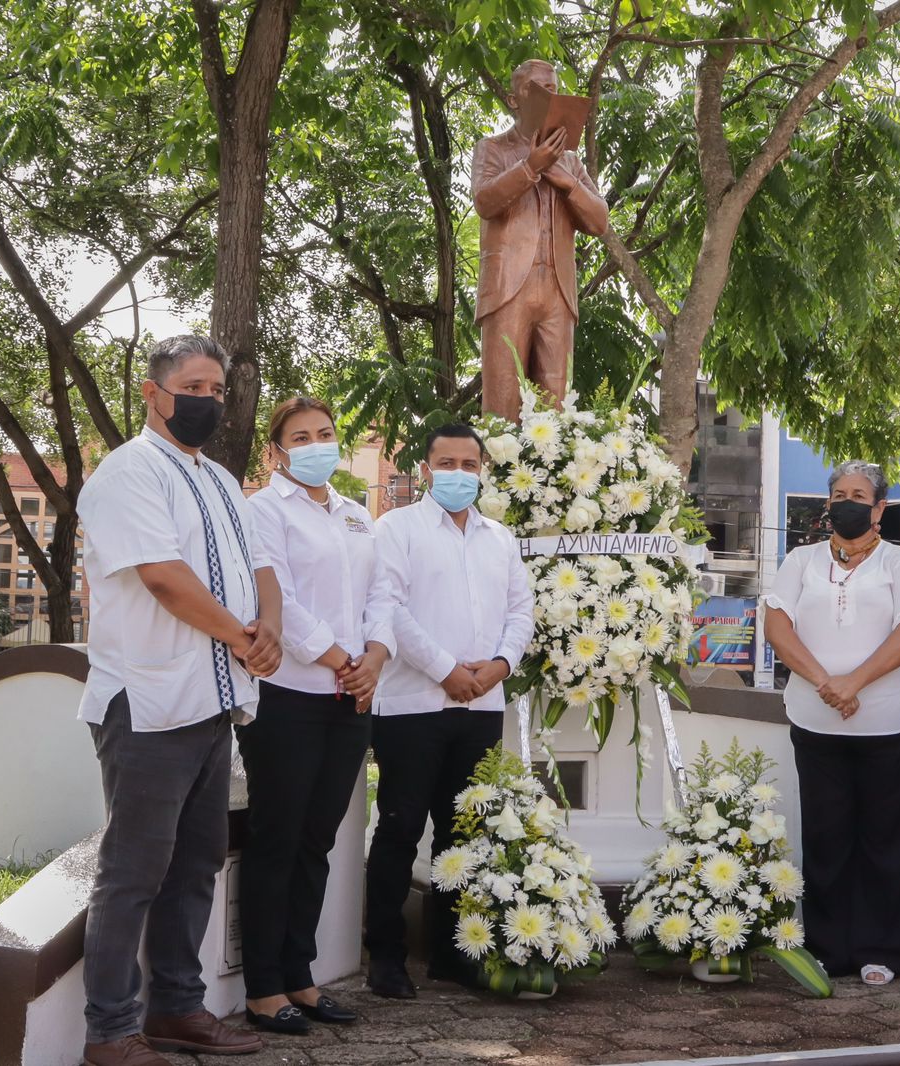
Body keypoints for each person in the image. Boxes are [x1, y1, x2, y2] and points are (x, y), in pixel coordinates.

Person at [75, 335, 283, 1066]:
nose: (207, 401)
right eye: (192, 387)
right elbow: (161, 576)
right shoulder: (127, 473)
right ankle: (109, 1032)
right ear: (152, 392)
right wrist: (242, 638)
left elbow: (262, 567)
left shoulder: (221, 481)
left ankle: (176, 1008)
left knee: (196, 865)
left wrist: (269, 630)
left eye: (216, 389)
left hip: (213, 701)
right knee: (132, 873)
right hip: (148, 701)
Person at [236, 397, 392, 1034]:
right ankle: (262, 988)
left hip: (350, 699)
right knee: (277, 837)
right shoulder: (262, 510)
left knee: (317, 840)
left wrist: (374, 657)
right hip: (289, 695)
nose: (315, 444)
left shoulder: (356, 515)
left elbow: (381, 593)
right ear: (276, 451)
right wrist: (338, 659)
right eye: (299, 437)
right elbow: (277, 599)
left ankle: (300, 976)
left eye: (324, 433)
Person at [363, 424, 534, 998]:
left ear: (483, 470)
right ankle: (385, 957)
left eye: (469, 464)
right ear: (426, 469)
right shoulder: (396, 529)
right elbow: (389, 608)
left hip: (482, 704)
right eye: (446, 463)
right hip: (412, 705)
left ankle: (451, 954)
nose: (458, 473)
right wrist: (445, 669)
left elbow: (521, 609)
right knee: (400, 827)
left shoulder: (499, 539)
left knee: (463, 835)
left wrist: (500, 665)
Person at [764, 461, 900, 988]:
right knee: (825, 837)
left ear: (880, 508)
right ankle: (828, 950)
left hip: (892, 724)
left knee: (887, 841)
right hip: (817, 722)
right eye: (839, 494)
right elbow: (776, 625)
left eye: (859, 495)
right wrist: (826, 683)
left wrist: (854, 681)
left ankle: (881, 950)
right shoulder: (800, 560)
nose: (847, 503)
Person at [471, 58, 609, 419]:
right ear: (514, 99)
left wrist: (567, 181)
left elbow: (599, 221)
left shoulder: (571, 163)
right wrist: (531, 165)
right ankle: (496, 457)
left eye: (553, 90)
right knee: (501, 407)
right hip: (507, 289)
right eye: (537, 89)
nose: (549, 96)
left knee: (555, 412)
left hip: (557, 293)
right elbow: (485, 202)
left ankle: (551, 459)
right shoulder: (493, 148)